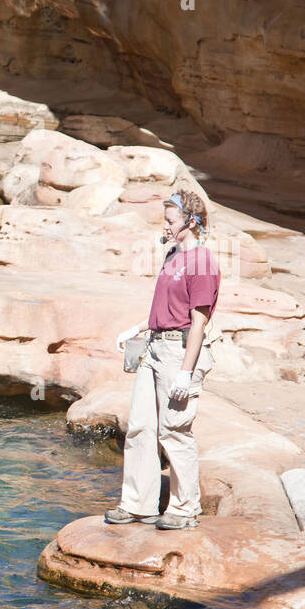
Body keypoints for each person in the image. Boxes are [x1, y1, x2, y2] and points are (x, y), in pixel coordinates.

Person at [105, 189, 221, 531]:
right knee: (140, 427)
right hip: (154, 348)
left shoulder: (202, 262)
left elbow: (198, 322)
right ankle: (138, 504)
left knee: (174, 429)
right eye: (165, 220)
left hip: (178, 353)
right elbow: (165, 309)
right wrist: (136, 329)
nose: (166, 226)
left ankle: (185, 509)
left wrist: (186, 373)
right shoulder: (172, 256)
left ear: (192, 221)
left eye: (171, 221)